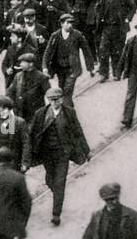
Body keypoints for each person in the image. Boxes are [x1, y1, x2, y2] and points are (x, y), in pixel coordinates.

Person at [26, 86, 90, 225]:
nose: (55, 102)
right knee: (50, 180)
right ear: (47, 100)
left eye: (57, 99)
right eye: (51, 100)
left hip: (63, 154)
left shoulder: (69, 113)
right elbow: (32, 134)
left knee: (60, 182)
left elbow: (78, 132)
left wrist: (87, 150)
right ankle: (58, 197)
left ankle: (56, 214)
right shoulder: (41, 114)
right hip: (46, 154)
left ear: (62, 99)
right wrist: (28, 155)